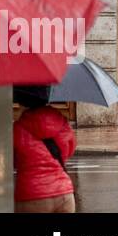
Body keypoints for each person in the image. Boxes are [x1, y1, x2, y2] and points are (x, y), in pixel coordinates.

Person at [12, 84, 76, 213]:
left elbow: (13, 161)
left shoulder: (17, 129)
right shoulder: (62, 122)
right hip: (63, 192)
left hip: (31, 194)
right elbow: (69, 151)